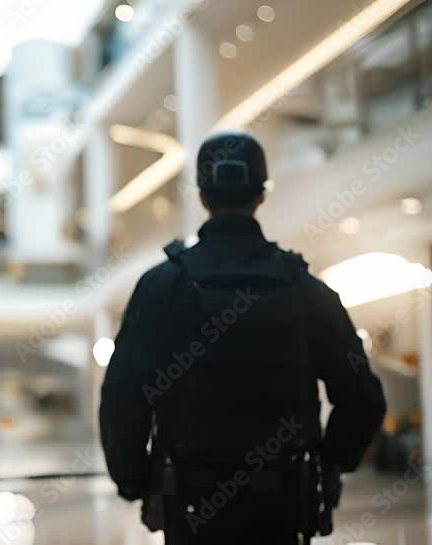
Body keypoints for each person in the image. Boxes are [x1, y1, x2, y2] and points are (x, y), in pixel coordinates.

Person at [99, 131, 386, 545]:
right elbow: (363, 397)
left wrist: (138, 482)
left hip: (191, 507)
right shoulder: (304, 289)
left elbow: (122, 399)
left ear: (202, 196)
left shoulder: (162, 287)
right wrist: (327, 463)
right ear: (262, 195)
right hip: (283, 507)